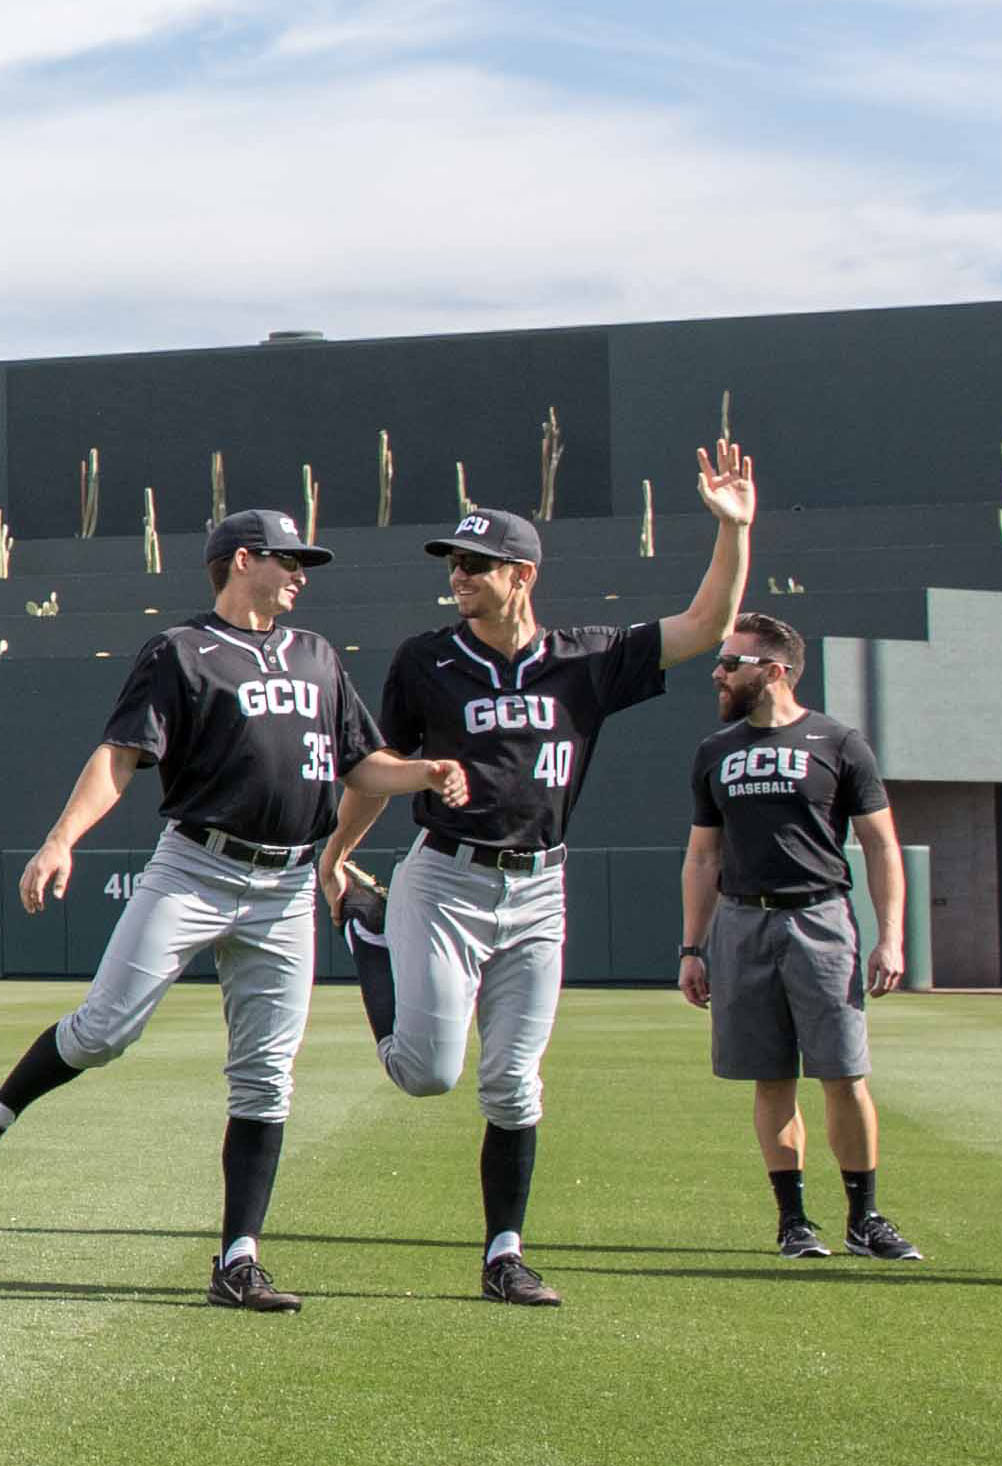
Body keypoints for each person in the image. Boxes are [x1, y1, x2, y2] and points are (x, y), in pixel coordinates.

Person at [0, 510, 468, 1314]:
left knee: (267, 1078)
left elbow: (361, 764)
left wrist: (421, 772)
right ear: (242, 561)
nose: (301, 573)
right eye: (287, 559)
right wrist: (62, 838)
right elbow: (121, 756)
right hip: (196, 868)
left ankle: (238, 1260)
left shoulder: (317, 656)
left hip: (283, 888)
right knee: (104, 1030)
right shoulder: (180, 650)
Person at [306, 444, 760, 1307]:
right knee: (426, 1073)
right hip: (444, 881)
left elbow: (704, 627)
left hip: (539, 889)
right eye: (453, 565)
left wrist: (732, 532)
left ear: (522, 575)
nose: (458, 579)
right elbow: (381, 765)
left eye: (474, 566)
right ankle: (370, 929)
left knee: (514, 1082)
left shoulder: (585, 658)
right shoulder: (423, 660)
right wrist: (335, 858)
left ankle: (504, 1256)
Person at [678, 613, 918, 1264]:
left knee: (844, 1073)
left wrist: (891, 938)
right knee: (770, 1077)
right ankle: (794, 1223)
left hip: (820, 918)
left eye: (732, 663)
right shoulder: (715, 752)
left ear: (774, 671)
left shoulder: (839, 743)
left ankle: (864, 1220)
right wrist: (692, 948)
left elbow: (879, 844)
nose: (718, 672)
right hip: (741, 921)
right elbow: (703, 857)